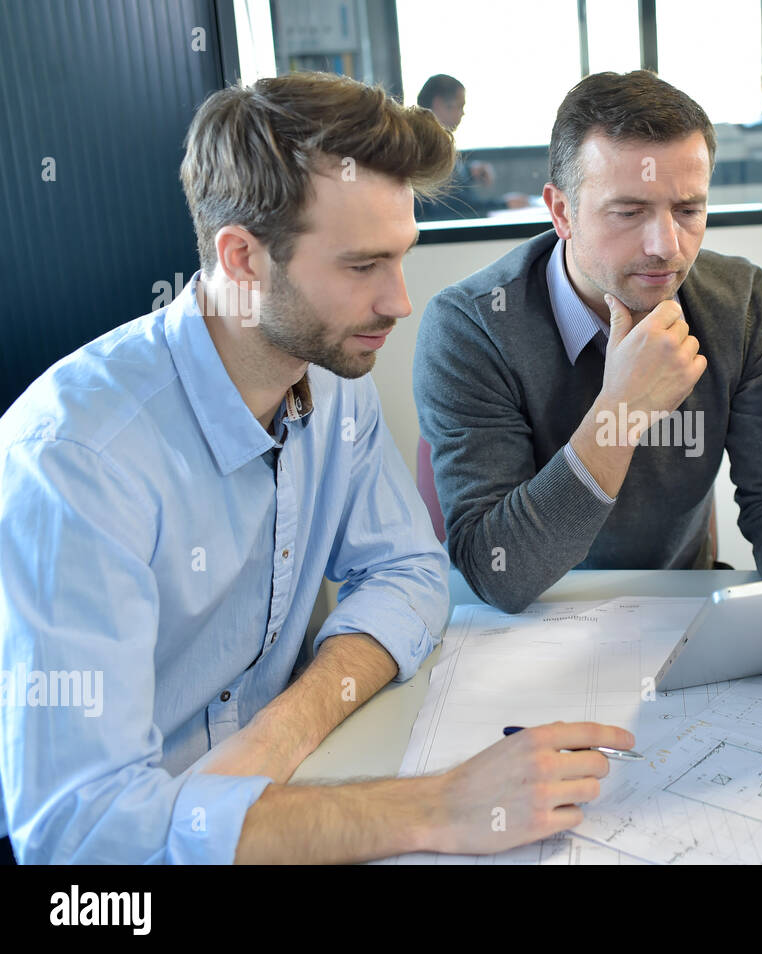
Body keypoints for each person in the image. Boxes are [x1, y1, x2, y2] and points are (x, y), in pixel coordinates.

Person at [0, 71, 630, 865]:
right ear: (241, 258)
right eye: (362, 266)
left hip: (284, 788)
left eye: (401, 257)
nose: (400, 301)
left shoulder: (328, 378)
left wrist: (283, 730)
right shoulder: (73, 464)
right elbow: (83, 840)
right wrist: (436, 805)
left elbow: (408, 573)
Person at [414, 70, 762, 685]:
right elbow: (498, 572)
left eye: (689, 210)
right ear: (561, 211)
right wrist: (620, 410)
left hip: (679, 619)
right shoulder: (470, 328)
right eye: (629, 211)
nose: (666, 246)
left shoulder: (744, 304)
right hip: (516, 640)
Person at [414, 73, 530, 220]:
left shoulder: (432, 141)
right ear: (438, 104)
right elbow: (455, 207)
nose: (462, 113)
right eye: (459, 106)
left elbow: (449, 186)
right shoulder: (427, 146)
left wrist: (469, 170)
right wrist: (503, 205)